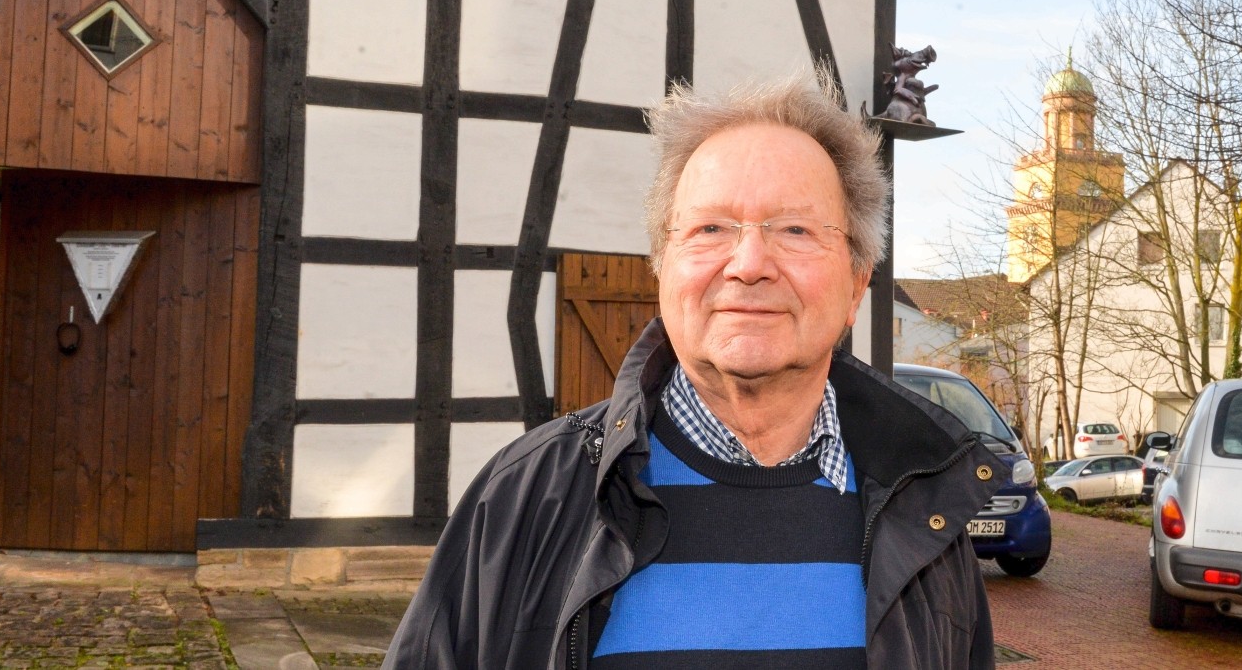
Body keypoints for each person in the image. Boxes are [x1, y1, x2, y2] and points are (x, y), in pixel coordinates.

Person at [382, 74, 1002, 669]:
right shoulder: (524, 496)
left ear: (856, 285)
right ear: (663, 270)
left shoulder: (926, 515)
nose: (749, 263)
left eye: (794, 228)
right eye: (711, 228)